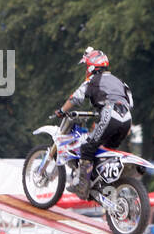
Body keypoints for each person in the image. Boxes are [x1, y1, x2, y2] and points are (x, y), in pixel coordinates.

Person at [52, 47, 135, 199]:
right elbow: (129, 102)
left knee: (87, 147)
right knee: (104, 151)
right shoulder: (120, 82)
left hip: (111, 114)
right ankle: (102, 183)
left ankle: (82, 186)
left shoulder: (93, 80)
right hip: (126, 118)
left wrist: (62, 111)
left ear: (91, 66)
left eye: (86, 66)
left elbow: (75, 98)